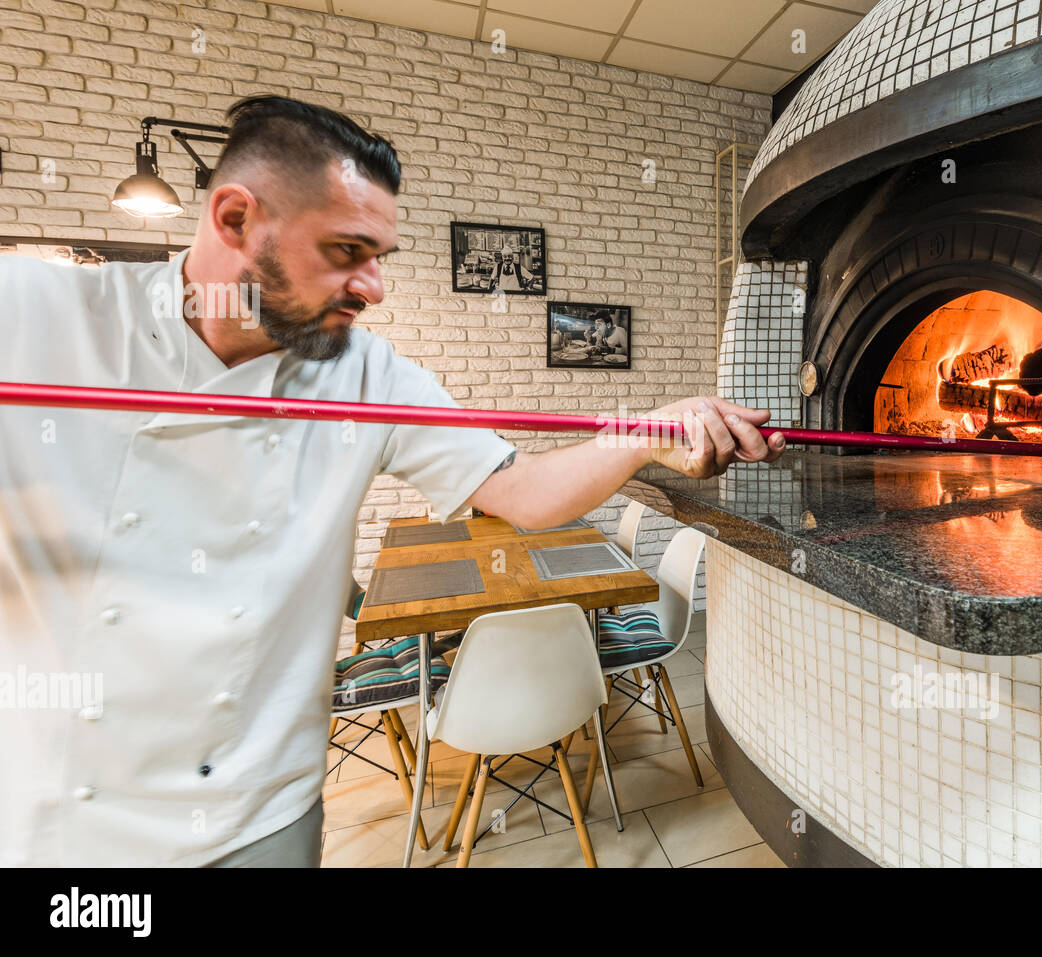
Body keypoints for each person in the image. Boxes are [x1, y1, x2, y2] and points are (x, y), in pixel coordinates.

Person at [0, 95, 786, 867]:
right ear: (235, 219)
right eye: (347, 251)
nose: (375, 286)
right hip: (61, 816)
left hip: (260, 810)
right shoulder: (35, 315)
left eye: (381, 257)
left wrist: (645, 432)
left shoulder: (366, 374)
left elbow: (521, 493)